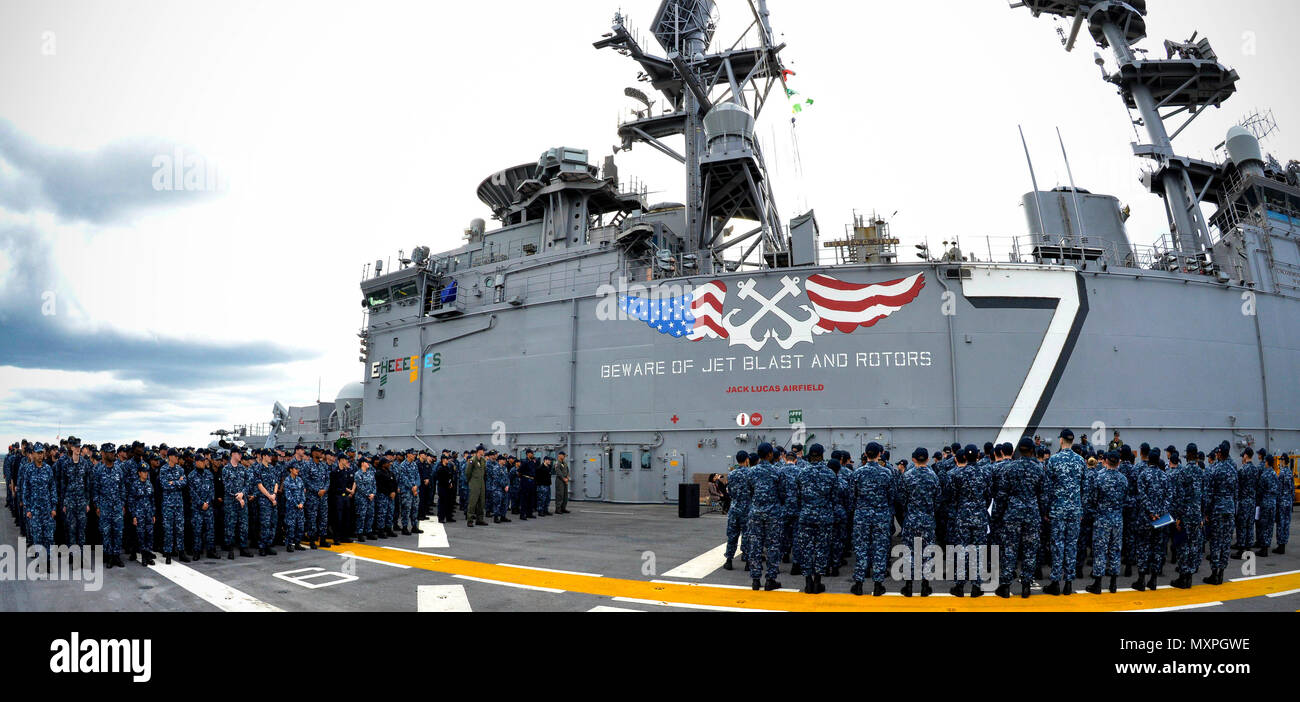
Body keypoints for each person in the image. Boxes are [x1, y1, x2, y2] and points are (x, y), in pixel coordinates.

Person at [994, 438, 1045, 598]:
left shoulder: (1009, 468)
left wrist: (998, 514)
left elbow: (1002, 495)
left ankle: (1005, 585)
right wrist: (1043, 513)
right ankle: (1026, 585)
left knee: (1010, 549)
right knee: (1030, 551)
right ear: (1032, 450)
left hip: (1013, 513)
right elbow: (1043, 495)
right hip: (1031, 512)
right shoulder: (1039, 469)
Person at [1043, 429, 1086, 596]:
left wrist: (1047, 509)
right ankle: (1068, 583)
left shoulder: (1053, 460)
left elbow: (1047, 488)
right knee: (1071, 545)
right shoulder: (1081, 461)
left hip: (1058, 510)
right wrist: (1080, 507)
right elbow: (1085, 488)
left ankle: (1055, 582)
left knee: (1057, 545)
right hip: (1075, 509)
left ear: (1061, 441)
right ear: (1072, 441)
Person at [948, 445, 990, 597]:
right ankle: (976, 586)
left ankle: (959, 586)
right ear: (978, 456)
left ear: (964, 457)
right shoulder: (985, 473)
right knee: (978, 551)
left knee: (962, 550)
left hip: (963, 516)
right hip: (979, 516)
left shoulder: (958, 474)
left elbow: (953, 496)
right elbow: (989, 495)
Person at [792, 444, 835, 594]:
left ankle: (808, 582)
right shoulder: (830, 474)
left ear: (809, 455)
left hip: (806, 516)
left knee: (806, 549)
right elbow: (835, 497)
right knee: (822, 549)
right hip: (824, 517)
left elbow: (797, 496)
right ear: (822, 455)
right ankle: (818, 581)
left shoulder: (801, 473)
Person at [900, 447, 941, 597]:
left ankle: (908, 586)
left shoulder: (907, 476)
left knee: (909, 552)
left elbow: (902, 499)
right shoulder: (934, 477)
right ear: (928, 459)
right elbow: (938, 500)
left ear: (914, 459)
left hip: (911, 518)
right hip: (928, 519)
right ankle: (925, 586)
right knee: (927, 552)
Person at [1087, 450, 1128, 594]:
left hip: (1102, 518)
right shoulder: (1123, 479)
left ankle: (1097, 584)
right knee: (1115, 550)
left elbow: (1092, 499)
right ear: (1118, 462)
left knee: (1100, 550)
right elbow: (1125, 499)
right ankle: (1113, 584)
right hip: (1117, 519)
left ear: (1105, 461)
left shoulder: (1099, 478)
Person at [745, 443, 784, 591]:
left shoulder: (751, 472)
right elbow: (782, 494)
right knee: (773, 546)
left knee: (755, 545)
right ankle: (770, 580)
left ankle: (755, 580)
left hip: (755, 512)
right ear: (769, 454)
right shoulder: (777, 471)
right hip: (773, 513)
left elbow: (750, 491)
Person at [1167, 450, 1204, 589]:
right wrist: (1201, 514)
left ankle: (1183, 577)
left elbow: (1178, 496)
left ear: (1187, 455)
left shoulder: (1182, 472)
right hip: (1196, 513)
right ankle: (1189, 577)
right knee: (1194, 545)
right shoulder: (1201, 472)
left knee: (1183, 546)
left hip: (1185, 514)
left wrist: (1177, 517)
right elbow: (1203, 495)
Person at [1202, 444, 1236, 585]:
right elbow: (1236, 492)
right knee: (1226, 542)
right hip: (1230, 508)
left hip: (1217, 509)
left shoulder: (1214, 469)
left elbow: (1208, 494)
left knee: (1216, 541)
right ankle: (1222, 572)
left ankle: (1214, 573)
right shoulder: (1233, 470)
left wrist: (1206, 512)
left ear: (1219, 454)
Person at [722, 452, 751, 571]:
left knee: (732, 535)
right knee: (747, 535)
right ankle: (747, 561)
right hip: (747, 508)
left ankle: (729, 560)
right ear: (746, 460)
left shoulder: (731, 474)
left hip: (734, 508)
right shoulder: (750, 473)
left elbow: (729, 491)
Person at [223, 449, 253, 558]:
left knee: (243, 525)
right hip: (231, 502)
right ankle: (230, 549)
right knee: (230, 525)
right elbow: (227, 486)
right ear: (233, 454)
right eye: (239, 454)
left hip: (242, 502)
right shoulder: (226, 469)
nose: (241, 455)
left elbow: (247, 483)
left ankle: (243, 548)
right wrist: (238, 496)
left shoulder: (242, 469)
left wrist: (242, 493)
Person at [188, 452, 217, 559]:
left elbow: (212, 490)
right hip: (197, 508)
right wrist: (201, 503)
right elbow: (191, 492)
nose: (204, 463)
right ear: (196, 462)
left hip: (208, 507)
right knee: (197, 530)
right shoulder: (191, 475)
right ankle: (196, 551)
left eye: (204, 461)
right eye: (201, 461)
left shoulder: (209, 474)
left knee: (210, 529)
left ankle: (211, 551)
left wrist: (208, 502)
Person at [128, 463, 156, 567]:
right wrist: (134, 516)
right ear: (139, 473)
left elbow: (152, 499)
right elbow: (131, 501)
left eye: (147, 472)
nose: (146, 474)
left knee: (150, 535)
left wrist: (153, 513)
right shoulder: (135, 485)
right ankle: (144, 557)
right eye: (144, 472)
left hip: (148, 513)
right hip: (139, 514)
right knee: (141, 535)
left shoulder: (149, 484)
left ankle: (148, 556)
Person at [283, 462, 306, 552]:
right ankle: (289, 544)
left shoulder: (300, 480)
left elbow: (303, 493)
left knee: (300, 526)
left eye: (298, 469)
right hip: (291, 508)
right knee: (291, 526)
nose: (298, 470)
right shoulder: (287, 481)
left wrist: (302, 503)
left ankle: (297, 543)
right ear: (291, 470)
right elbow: (288, 496)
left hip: (300, 507)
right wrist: (296, 504)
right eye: (296, 469)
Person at [1275, 451, 1294, 555]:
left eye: (1281, 460)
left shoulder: (1282, 473)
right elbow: (1292, 489)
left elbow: (1279, 489)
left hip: (1282, 501)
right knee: (1286, 523)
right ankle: (1284, 544)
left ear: (1283, 461)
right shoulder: (1290, 473)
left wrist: (1277, 502)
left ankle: (1280, 546)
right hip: (1289, 501)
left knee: (1280, 523)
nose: (1280, 462)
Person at [466, 446, 489, 527]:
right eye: (483, 450)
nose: (484, 452)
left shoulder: (483, 460)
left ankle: (480, 519)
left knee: (481, 502)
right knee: (473, 502)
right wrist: (471, 481)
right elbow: (468, 472)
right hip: (474, 483)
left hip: (481, 483)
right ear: (479, 451)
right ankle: (470, 520)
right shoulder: (472, 460)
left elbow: (484, 471)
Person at [435, 454, 458, 523]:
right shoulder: (440, 468)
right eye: (446, 459)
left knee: (449, 502)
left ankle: (449, 517)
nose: (448, 460)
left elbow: (450, 476)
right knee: (442, 503)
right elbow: (441, 479)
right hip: (442, 487)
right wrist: (448, 483)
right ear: (443, 460)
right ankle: (441, 518)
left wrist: (450, 482)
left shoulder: (447, 467)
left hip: (448, 487)